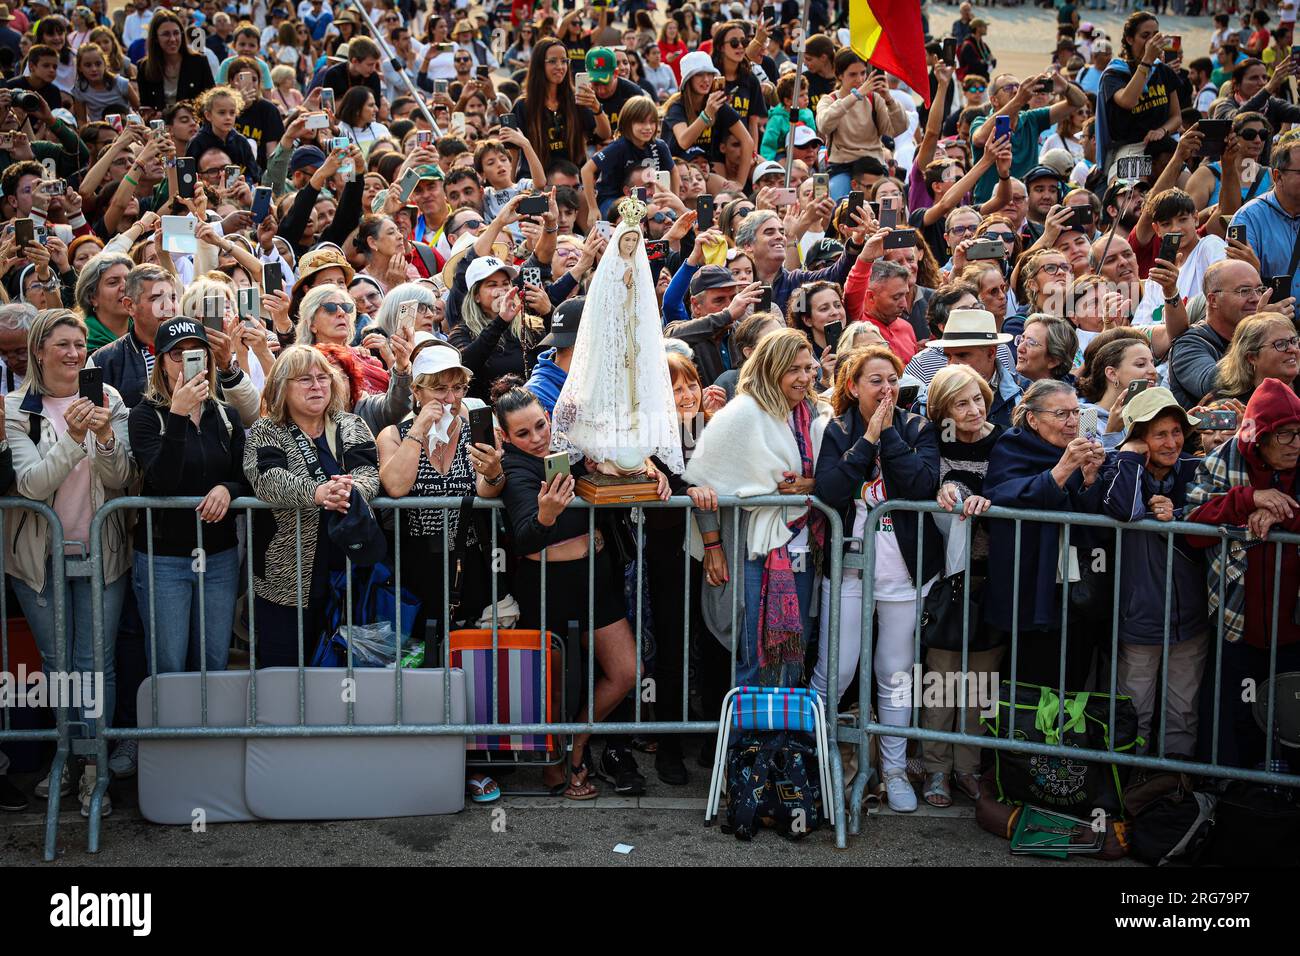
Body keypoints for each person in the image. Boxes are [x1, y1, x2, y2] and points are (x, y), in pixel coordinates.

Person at [5, 309, 135, 816]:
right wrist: (74, 439)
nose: (73, 353)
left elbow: (123, 476)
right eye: (61, 344)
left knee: (94, 664)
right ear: (39, 350)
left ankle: (92, 768)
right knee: (59, 666)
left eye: (79, 344)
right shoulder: (17, 407)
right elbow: (33, 484)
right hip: (38, 558)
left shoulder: (110, 398)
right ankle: (66, 754)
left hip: (102, 551)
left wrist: (101, 438)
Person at [494, 381, 642, 800]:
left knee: (628, 671)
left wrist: (631, 474)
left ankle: (577, 744)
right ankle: (556, 763)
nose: (537, 438)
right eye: (523, 433)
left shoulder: (566, 450)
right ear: (506, 436)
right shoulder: (513, 469)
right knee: (556, 686)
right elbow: (523, 538)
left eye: (540, 425)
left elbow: (600, 487)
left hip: (595, 579)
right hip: (547, 588)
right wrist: (544, 518)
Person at [375, 343, 505, 801]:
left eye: (457, 387)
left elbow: (490, 492)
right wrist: (421, 430)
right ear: (417, 390)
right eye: (438, 388)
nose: (449, 397)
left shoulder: (477, 427)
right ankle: (421, 760)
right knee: (422, 661)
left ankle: (468, 761)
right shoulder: (394, 433)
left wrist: (493, 473)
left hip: (468, 562)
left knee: (466, 661)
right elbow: (394, 485)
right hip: (418, 562)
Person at [814, 345, 941, 813]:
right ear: (852, 386)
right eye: (875, 380)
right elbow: (828, 490)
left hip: (902, 575)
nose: (887, 388)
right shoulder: (837, 430)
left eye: (893, 379)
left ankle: (891, 768)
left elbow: (921, 485)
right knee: (837, 670)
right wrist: (865, 441)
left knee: (895, 675)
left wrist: (888, 437)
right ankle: (821, 759)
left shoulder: (918, 427)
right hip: (847, 570)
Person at [684, 329, 827, 689]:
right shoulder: (741, 415)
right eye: (793, 369)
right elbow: (703, 481)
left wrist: (810, 485)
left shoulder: (814, 413)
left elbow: (828, 477)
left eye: (809, 369)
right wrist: (713, 547)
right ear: (771, 368)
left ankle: (784, 740)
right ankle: (746, 743)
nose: (804, 378)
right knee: (753, 651)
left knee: (794, 648)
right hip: (749, 549)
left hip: (802, 546)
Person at [243, 344, 381, 669]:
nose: (317, 386)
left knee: (344, 673)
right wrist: (318, 493)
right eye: (304, 379)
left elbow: (369, 474)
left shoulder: (351, 425)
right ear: (282, 387)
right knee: (284, 674)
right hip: (286, 578)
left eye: (323, 378)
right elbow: (268, 479)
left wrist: (348, 491)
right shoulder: (267, 430)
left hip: (348, 571)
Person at [1186, 378, 1300, 769]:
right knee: (1232, 724)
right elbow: (1192, 527)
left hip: (1294, 631)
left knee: (1292, 725)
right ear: (1259, 437)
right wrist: (1247, 499)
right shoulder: (1221, 461)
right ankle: (1229, 802)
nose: (1296, 444)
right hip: (1235, 624)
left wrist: (1283, 511)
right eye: (1284, 435)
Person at [127, 315, 247, 678]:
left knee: (213, 660)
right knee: (169, 663)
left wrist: (228, 489)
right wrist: (177, 414)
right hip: (164, 558)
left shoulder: (225, 414)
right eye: (177, 354)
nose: (187, 361)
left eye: (198, 353)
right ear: (160, 362)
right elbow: (164, 479)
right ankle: (168, 736)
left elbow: (245, 476)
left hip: (220, 554)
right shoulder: (145, 415)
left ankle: (208, 736)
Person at [1100, 386, 1207, 758]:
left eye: (1176, 431)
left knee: (1183, 712)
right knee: (1134, 712)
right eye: (1159, 433)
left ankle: (1172, 790)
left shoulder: (1195, 470)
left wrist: (1176, 515)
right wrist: (1129, 459)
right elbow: (1125, 511)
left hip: (1191, 620)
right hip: (1140, 620)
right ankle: (1127, 786)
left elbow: (1216, 513)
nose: (1172, 442)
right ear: (1139, 438)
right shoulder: (1119, 469)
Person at [983, 379, 1106, 688]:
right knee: (1031, 679)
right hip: (1028, 583)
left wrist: (1090, 479)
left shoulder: (1077, 452)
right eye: (1061, 414)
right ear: (1033, 419)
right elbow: (1004, 495)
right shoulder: (1012, 446)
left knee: (1073, 675)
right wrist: (1062, 470)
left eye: (1077, 413)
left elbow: (1089, 515)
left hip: (1073, 587)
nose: (1072, 422)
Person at [922, 363, 1005, 807]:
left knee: (980, 681)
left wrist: (973, 489)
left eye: (978, 399)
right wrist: (944, 489)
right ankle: (936, 770)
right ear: (942, 410)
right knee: (941, 678)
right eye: (961, 403)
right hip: (947, 576)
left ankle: (968, 769)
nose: (973, 410)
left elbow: (1008, 486)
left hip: (992, 574)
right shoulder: (934, 441)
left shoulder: (1003, 438)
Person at [1169, 259, 1269, 409]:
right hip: (1214, 432)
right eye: (1244, 291)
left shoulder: (1268, 336)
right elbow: (1213, 384)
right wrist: (1255, 330)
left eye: (1259, 289)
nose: (1256, 298)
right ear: (1213, 300)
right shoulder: (1188, 344)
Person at [1096, 13, 1182, 176]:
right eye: (1145, 36)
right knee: (1132, 192)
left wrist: (1162, 131)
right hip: (1133, 147)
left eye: (1155, 35)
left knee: (1187, 186)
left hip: (1162, 144)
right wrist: (1147, 61)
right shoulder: (1115, 73)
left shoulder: (1162, 70)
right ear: (1129, 39)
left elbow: (1176, 117)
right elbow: (1128, 101)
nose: (1151, 41)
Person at [816, 48, 908, 198]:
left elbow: (897, 129)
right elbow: (824, 124)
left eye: (863, 73)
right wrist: (855, 96)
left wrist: (889, 100)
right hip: (842, 166)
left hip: (874, 165)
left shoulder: (874, 99)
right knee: (836, 201)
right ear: (839, 75)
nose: (859, 79)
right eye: (853, 74)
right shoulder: (829, 100)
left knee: (891, 202)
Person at [511, 39, 609, 169]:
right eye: (552, 61)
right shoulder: (523, 105)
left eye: (564, 61)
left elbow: (604, 135)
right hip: (537, 183)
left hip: (572, 181)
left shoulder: (576, 100)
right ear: (539, 65)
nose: (560, 66)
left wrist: (596, 108)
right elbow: (513, 152)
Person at [1076, 329, 1159, 450]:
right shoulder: (1087, 419)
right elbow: (1094, 468)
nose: (1153, 371)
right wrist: (1112, 433)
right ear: (1112, 374)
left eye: (1153, 363)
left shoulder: (1152, 412)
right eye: (1140, 364)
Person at [136, 10, 215, 114]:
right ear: (155, 38)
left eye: (176, 33)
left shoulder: (199, 62)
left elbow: (211, 102)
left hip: (194, 125)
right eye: (166, 34)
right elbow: (146, 107)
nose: (173, 39)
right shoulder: (144, 67)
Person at [1014, 313, 1078, 385]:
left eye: (1031, 343)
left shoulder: (1070, 395)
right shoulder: (1006, 386)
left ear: (1054, 360)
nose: (1020, 348)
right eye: (1022, 339)